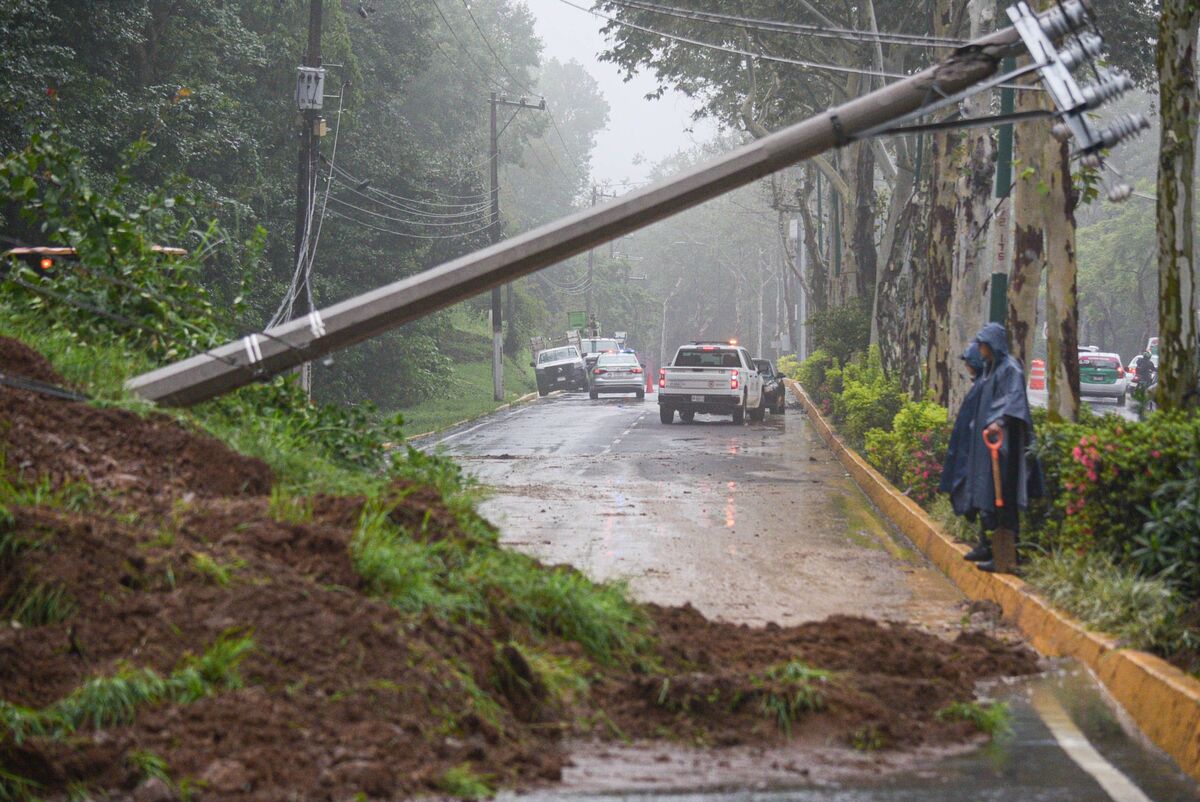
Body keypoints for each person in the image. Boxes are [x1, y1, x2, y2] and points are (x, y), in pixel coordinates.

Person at [961, 323, 1042, 573]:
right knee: (986, 496)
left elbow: (1013, 400)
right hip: (988, 448)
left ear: (992, 344)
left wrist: (999, 421)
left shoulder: (1010, 369)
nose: (980, 348)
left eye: (983, 344)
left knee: (1003, 499)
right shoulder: (991, 370)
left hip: (1005, 450)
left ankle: (1007, 554)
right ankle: (987, 545)